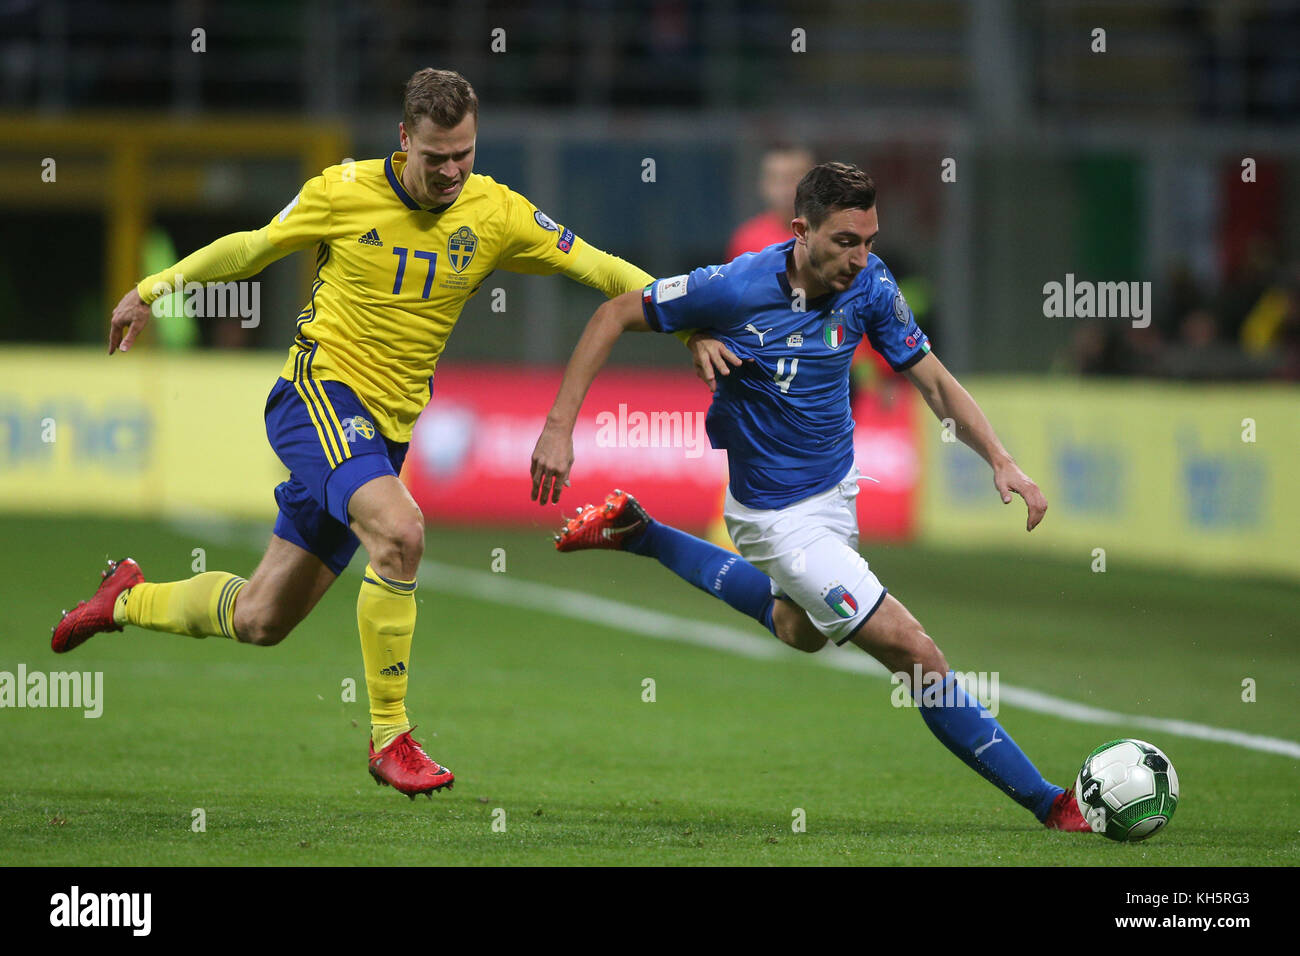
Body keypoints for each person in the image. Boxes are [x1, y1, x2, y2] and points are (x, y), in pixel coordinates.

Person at [51, 68, 663, 800]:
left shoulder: (496, 212)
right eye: (436, 155)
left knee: (261, 619)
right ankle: (389, 738)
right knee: (401, 532)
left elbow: (602, 269)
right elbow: (250, 248)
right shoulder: (341, 191)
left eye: (464, 153)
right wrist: (152, 289)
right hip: (318, 394)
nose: (450, 170)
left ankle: (123, 598)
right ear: (403, 139)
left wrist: (691, 312)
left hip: (384, 434)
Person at [530, 161, 1092, 831]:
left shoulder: (872, 287)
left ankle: (641, 533)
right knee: (917, 655)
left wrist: (1002, 460)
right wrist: (560, 428)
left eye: (870, 240)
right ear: (801, 231)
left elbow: (933, 380)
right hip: (776, 518)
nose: (860, 258)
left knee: (799, 631)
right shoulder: (736, 286)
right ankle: (1051, 803)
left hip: (835, 496)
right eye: (845, 241)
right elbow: (615, 311)